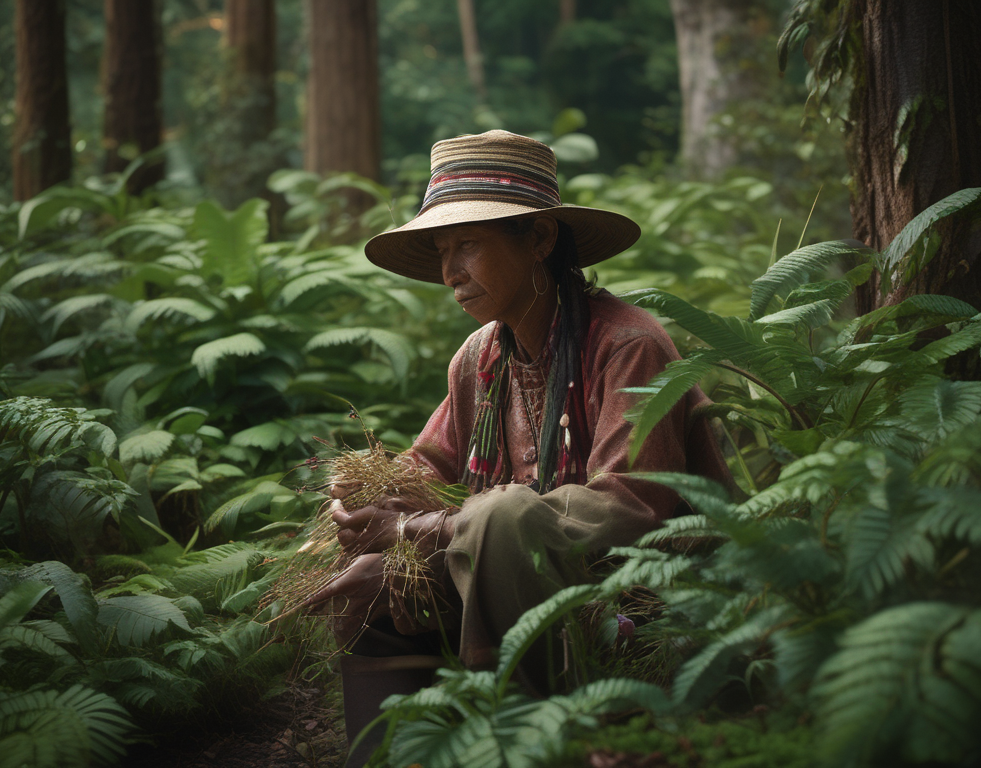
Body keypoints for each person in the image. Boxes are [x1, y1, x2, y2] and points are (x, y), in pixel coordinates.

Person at [307, 130, 731, 763]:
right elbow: (427, 469)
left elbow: (628, 508)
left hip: (642, 595)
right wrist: (368, 502)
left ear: (540, 239)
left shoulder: (628, 345)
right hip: (520, 578)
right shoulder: (480, 357)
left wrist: (423, 531)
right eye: (443, 250)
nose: (450, 272)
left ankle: (533, 742)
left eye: (468, 245)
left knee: (502, 517)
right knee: (373, 585)